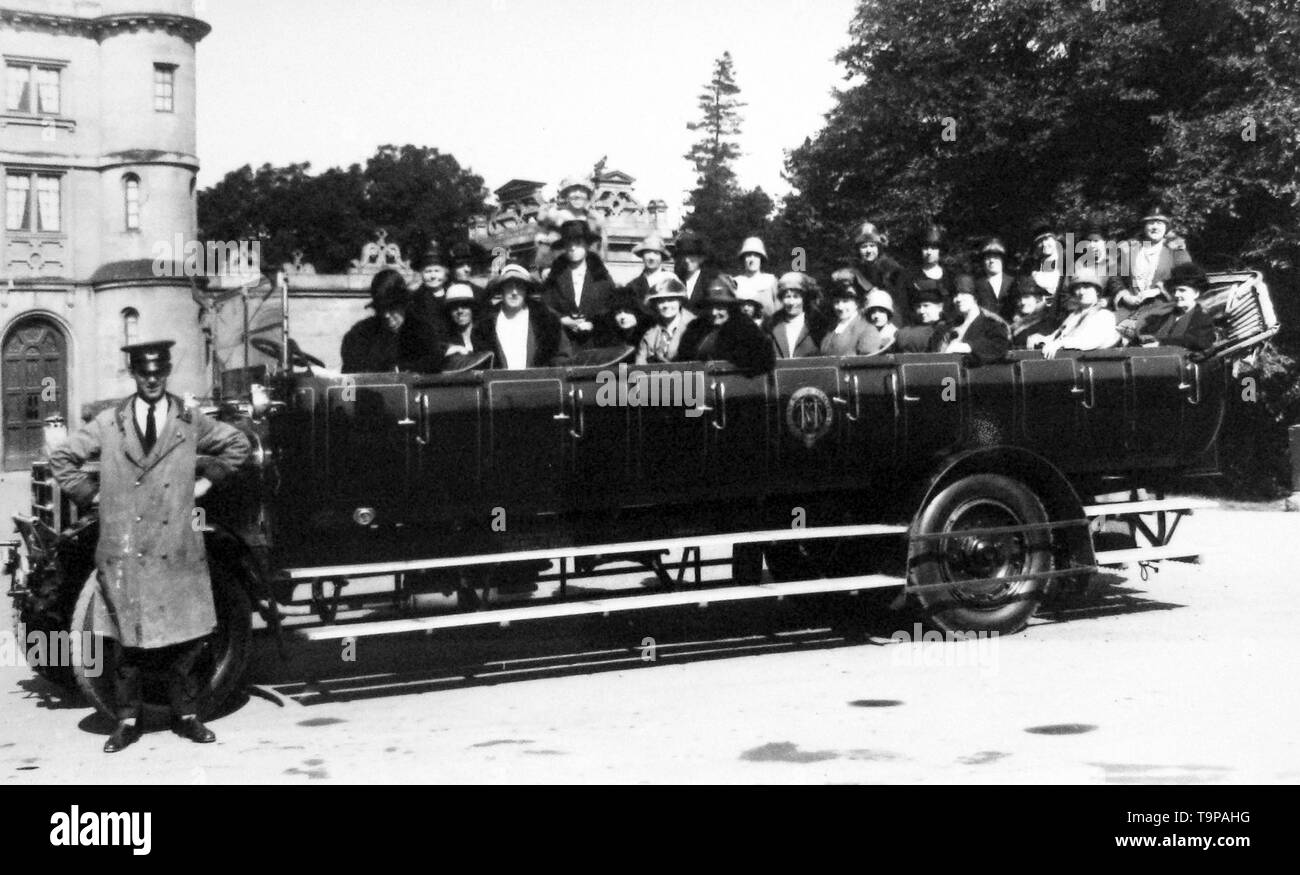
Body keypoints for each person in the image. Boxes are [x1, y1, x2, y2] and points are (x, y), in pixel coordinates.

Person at [49, 340, 251, 753]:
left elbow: (238, 445)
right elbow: (63, 458)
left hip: (174, 543)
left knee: (187, 642)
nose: (153, 380)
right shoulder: (110, 423)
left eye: (159, 373)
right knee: (126, 643)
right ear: (134, 374)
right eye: (144, 373)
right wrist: (91, 495)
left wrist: (204, 482)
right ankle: (126, 721)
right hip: (125, 548)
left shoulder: (189, 419)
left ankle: (189, 717)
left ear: (168, 371)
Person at [340, 269, 444, 373]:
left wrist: (401, 369)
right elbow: (350, 371)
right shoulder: (359, 335)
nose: (386, 315)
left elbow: (433, 363)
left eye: (392, 308)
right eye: (381, 309)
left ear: (404, 305)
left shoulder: (423, 333)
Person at [474, 263, 572, 369]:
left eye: (519, 286)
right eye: (509, 286)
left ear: (526, 290)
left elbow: (562, 356)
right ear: (501, 289)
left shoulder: (547, 321)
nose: (514, 292)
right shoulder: (484, 325)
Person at [541, 220, 617, 352]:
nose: (573, 248)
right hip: (562, 346)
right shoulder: (554, 276)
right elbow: (545, 307)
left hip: (595, 346)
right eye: (568, 244)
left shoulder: (601, 277)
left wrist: (593, 324)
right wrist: (562, 320)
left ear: (587, 245)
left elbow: (611, 308)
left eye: (578, 243)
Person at [677, 277, 775, 376]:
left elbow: (763, 362)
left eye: (720, 307)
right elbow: (683, 362)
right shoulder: (695, 329)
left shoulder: (746, 328)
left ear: (730, 307)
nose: (714, 312)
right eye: (710, 307)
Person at [1113, 205, 1193, 321]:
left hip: (1165, 308)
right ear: (1144, 226)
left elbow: (1188, 279)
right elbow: (1115, 276)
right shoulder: (1130, 250)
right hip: (1130, 308)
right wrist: (1125, 296)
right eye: (1151, 223)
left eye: (1159, 223)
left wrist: (1158, 290)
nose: (1155, 227)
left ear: (1166, 227)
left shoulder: (1176, 251)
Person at [1129, 262, 1217, 352]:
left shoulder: (1202, 319)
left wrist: (1161, 343)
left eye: (1182, 290)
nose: (1176, 294)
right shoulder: (1163, 315)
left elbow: (1197, 341)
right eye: (1175, 290)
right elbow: (1141, 338)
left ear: (1196, 293)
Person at [1030, 271, 1120, 358]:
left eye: (1087, 286)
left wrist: (1060, 344)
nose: (1081, 292)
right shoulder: (1074, 315)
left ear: (1097, 291)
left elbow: (1087, 341)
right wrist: (1042, 339)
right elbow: (1059, 336)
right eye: (1077, 288)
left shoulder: (1104, 315)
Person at [931, 285, 1011, 365]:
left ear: (975, 298)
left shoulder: (992, 324)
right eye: (955, 295)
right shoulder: (946, 327)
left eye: (963, 294)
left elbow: (1000, 346)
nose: (958, 299)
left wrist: (968, 347)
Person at [901, 225, 963, 323]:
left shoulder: (951, 276)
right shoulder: (909, 276)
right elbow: (904, 307)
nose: (929, 252)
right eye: (925, 248)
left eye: (933, 248)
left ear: (940, 250)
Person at [636, 275, 696, 364]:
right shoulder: (650, 331)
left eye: (671, 300)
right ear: (655, 305)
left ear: (680, 301)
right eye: (661, 301)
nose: (666, 305)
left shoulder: (695, 326)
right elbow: (640, 364)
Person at [766, 272, 824, 358]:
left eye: (796, 297)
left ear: (804, 299)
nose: (791, 302)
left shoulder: (817, 324)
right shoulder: (771, 325)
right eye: (787, 297)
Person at [819, 283, 886, 356]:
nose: (840, 307)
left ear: (857, 303)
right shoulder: (833, 327)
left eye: (845, 301)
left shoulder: (867, 330)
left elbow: (868, 361)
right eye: (836, 302)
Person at [849, 221, 904, 301]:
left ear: (878, 248)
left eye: (872, 246)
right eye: (864, 247)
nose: (868, 251)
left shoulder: (891, 268)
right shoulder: (857, 269)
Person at [1017, 224, 1065, 313]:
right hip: (1038, 314)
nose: (1044, 244)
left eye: (1047, 239)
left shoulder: (1068, 263)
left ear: (1055, 240)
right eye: (1040, 241)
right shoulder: (1030, 268)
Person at [973, 238, 1018, 321]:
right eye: (988, 258)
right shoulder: (976, 284)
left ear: (1003, 260)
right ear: (983, 261)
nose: (992, 261)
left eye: (996, 257)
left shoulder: (1014, 282)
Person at [624, 232, 675, 305]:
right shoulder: (632, 286)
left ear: (662, 257)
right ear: (642, 255)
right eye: (648, 252)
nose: (651, 257)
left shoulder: (671, 280)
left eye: (656, 253)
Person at [673, 232, 719, 312]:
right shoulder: (676, 280)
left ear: (701, 258)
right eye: (683, 256)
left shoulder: (710, 280)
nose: (687, 260)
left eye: (691, 255)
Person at [734, 236, 780, 316]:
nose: (752, 259)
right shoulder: (735, 282)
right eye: (748, 255)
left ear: (761, 259)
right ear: (743, 258)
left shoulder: (771, 281)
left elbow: (780, 311)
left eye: (756, 255)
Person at [894, 287, 947, 352]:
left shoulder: (947, 330)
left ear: (940, 307)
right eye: (918, 306)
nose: (921, 311)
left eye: (926, 306)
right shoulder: (904, 333)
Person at [408, 242, 449, 326]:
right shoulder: (415, 299)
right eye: (428, 271)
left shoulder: (452, 293)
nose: (433, 276)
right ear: (421, 274)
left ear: (445, 273)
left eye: (437, 271)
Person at [437, 282, 480, 359]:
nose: (460, 311)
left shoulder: (485, 333)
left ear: (473, 308)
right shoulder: (443, 339)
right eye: (454, 307)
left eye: (465, 305)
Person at [1009, 284, 1059, 349]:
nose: (1022, 302)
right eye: (1019, 298)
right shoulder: (1015, 324)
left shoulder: (1046, 324)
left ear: (1040, 299)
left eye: (1026, 297)